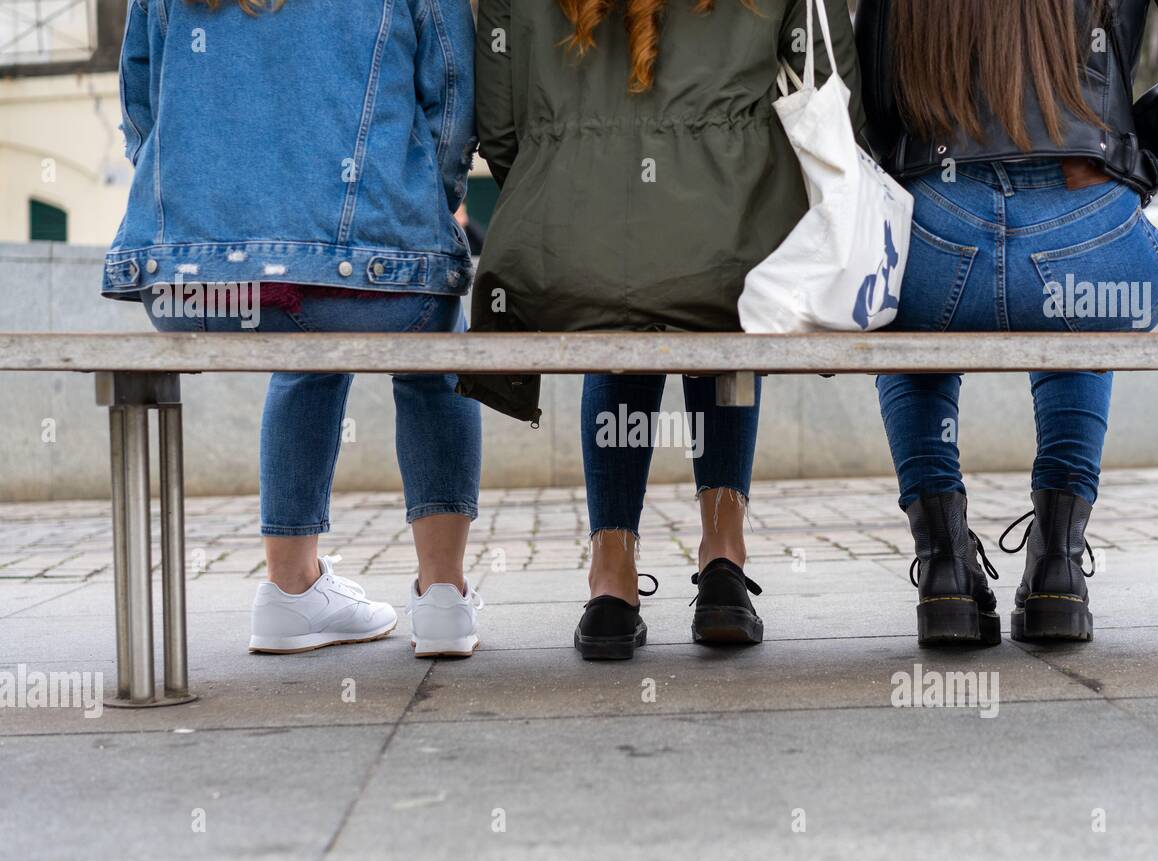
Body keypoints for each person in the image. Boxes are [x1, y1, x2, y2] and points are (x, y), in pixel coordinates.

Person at [855, 0, 1158, 645]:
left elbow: (865, 84)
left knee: (906, 331)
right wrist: (1119, 147)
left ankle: (944, 568)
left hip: (935, 231)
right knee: (1085, 313)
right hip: (1086, 226)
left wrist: (915, 177)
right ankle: (1058, 569)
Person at [462, 0, 865, 660]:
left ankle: (612, 584)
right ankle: (723, 565)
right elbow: (832, 92)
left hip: (571, 246)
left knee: (618, 316)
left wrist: (563, 201)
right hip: (730, 240)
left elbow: (499, 129)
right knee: (725, 310)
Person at [102, 0, 485, 658]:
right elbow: (451, 98)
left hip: (195, 287)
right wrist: (431, 201)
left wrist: (197, 207)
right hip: (369, 278)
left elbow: (139, 100)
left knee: (304, 333)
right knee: (429, 339)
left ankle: (289, 589)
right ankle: (444, 596)